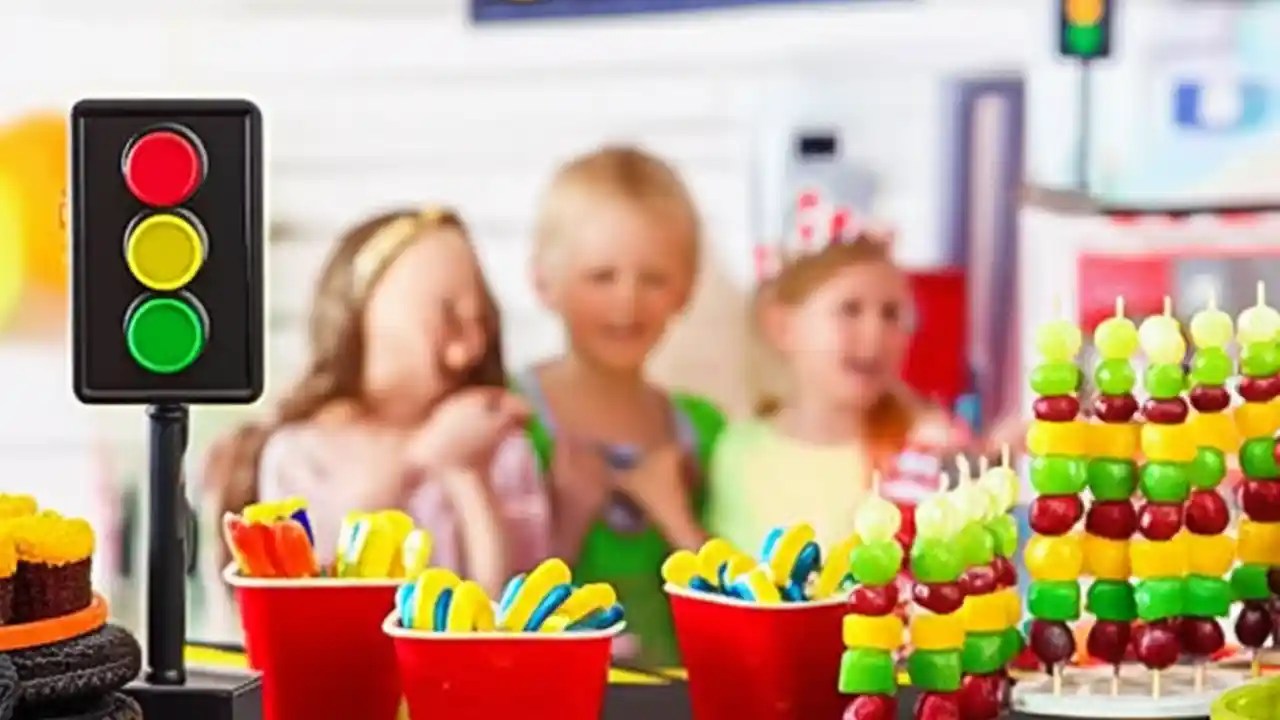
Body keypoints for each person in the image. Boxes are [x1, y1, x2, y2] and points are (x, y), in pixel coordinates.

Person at [202, 207, 544, 595]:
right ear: (364, 309)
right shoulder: (302, 453)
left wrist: (469, 474)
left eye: (482, 321)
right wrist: (418, 458)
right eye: (447, 314)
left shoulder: (501, 448)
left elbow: (511, 606)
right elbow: (312, 594)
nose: (469, 349)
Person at [516, 146, 725, 665]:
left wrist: (678, 519)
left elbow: (739, 611)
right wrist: (569, 516)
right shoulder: (510, 420)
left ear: (686, 289)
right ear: (544, 282)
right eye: (601, 277)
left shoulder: (703, 430)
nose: (627, 302)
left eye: (653, 279)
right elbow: (492, 611)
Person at [706, 229, 969, 555]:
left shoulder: (922, 453)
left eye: (892, 313)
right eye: (850, 309)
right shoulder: (737, 452)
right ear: (782, 327)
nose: (875, 332)